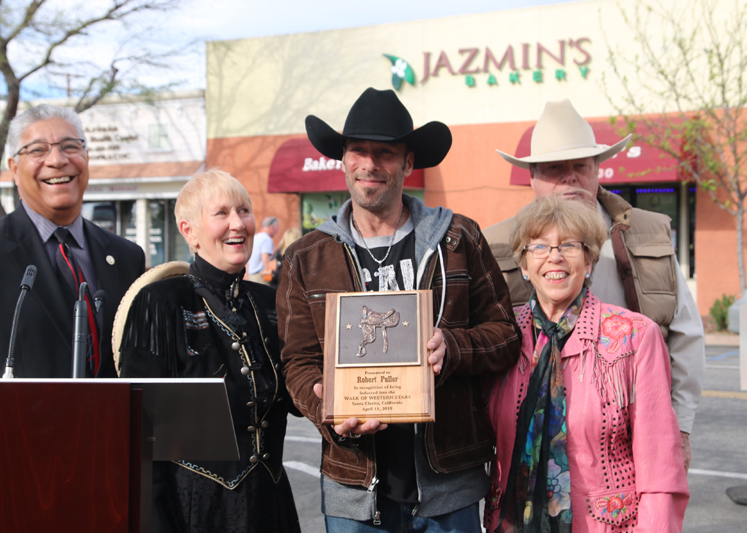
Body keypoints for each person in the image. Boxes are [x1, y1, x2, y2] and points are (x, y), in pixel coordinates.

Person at [277, 87, 521, 531]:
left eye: (385, 153)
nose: (370, 164)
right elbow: (297, 362)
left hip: (449, 485)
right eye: (358, 151)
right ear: (343, 159)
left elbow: (505, 334)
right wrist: (328, 410)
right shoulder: (306, 257)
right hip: (354, 488)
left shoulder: (458, 240)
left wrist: (453, 347)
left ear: (409, 162)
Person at [485, 99, 705, 472]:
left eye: (580, 167)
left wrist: (680, 429)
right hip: (534, 433)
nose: (571, 178)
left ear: (598, 170)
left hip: (636, 427)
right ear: (533, 179)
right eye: (556, 169)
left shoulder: (648, 232)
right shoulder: (497, 244)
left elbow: (686, 335)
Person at [486, 194, 689, 532]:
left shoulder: (635, 337)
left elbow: (660, 466)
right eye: (539, 247)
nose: (555, 257)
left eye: (569, 245)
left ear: (590, 260)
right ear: (523, 265)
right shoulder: (502, 339)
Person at [118, 169, 300, 533]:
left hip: (270, 503)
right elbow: (139, 432)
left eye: (244, 211)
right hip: (195, 511)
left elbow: (299, 394)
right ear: (189, 231)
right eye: (222, 213)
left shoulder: (269, 301)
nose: (238, 224)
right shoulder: (161, 301)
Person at [0, 104, 144, 378]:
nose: (57, 160)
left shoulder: (127, 257)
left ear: (86, 157)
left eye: (70, 146)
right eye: (38, 150)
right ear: (14, 168)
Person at [246, 216, 279, 284]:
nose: (277, 231)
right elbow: (265, 259)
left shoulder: (256, 237)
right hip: (260, 277)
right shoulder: (267, 239)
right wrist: (268, 272)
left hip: (251, 276)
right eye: (277, 228)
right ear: (271, 227)